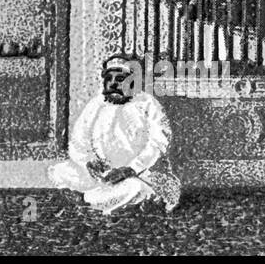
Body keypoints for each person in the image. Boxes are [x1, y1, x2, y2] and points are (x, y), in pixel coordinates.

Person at [48, 53, 181, 214]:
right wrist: (89, 163)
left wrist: (130, 169)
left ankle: (87, 201)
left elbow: (159, 143)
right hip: (104, 175)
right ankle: (101, 202)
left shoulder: (147, 103)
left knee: (136, 188)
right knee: (59, 171)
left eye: (119, 79)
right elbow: (78, 142)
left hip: (140, 174)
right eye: (109, 79)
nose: (113, 84)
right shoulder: (96, 105)